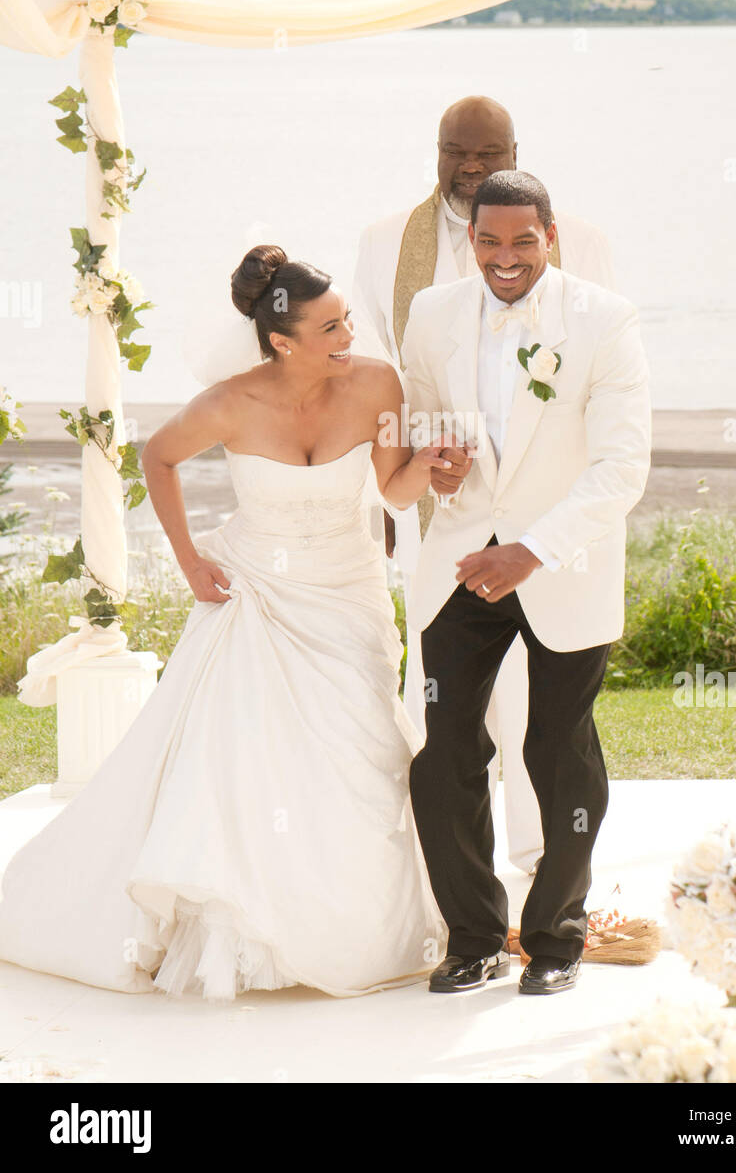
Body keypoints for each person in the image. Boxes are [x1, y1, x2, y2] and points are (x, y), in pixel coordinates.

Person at [0, 248, 447, 1000]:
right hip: (256, 592)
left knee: (360, 749)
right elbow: (158, 458)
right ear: (281, 340)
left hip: (347, 593)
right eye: (331, 327)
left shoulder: (377, 383)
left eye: (347, 320)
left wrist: (429, 462)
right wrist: (189, 562)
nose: (349, 336)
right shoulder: (230, 401)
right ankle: (241, 927)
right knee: (243, 751)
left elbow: (393, 493)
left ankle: (358, 925)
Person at [401, 170, 651, 996]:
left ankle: (556, 940)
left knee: (557, 749)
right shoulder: (431, 313)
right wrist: (438, 465)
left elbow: (621, 469)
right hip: (458, 567)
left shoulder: (604, 321)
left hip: (562, 569)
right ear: (468, 239)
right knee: (444, 758)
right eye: (487, 240)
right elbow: (422, 419)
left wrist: (532, 550)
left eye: (521, 240)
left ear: (550, 237)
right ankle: (471, 935)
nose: (503, 258)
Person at [353, 95, 616, 874]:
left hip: (546, 528)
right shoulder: (380, 245)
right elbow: (381, 386)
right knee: (440, 707)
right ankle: (445, 884)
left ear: (513, 150)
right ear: (434, 150)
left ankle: (541, 863)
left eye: (486, 153)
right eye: (453, 152)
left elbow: (600, 367)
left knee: (541, 700)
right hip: (442, 516)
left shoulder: (586, 243)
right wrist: (399, 487)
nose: (469, 166)